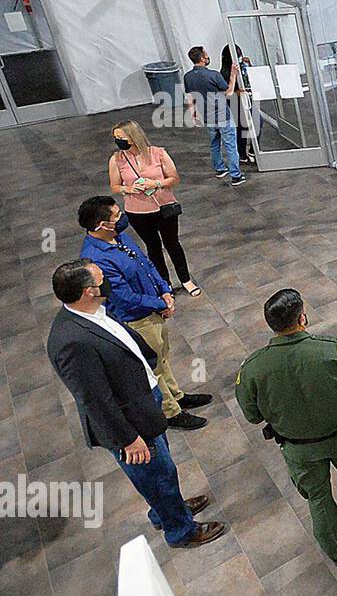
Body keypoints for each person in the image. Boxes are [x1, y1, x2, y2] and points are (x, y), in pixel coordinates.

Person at [46, 259, 226, 549]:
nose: (108, 282)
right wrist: (128, 440)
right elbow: (95, 400)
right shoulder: (71, 342)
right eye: (101, 279)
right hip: (129, 424)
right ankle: (181, 531)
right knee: (158, 475)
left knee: (158, 473)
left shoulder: (93, 312)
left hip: (143, 403)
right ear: (88, 292)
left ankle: (166, 510)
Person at [235, 289, 337, 569]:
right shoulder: (331, 349)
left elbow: (252, 415)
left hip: (298, 449)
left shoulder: (252, 368)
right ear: (302, 318)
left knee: (318, 497)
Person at [78, 196, 211, 429]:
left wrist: (165, 291)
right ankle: (171, 413)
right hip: (137, 319)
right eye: (117, 216)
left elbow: (146, 263)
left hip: (154, 308)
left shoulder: (120, 237)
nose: (122, 219)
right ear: (101, 225)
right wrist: (160, 303)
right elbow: (124, 298)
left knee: (163, 357)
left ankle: (177, 396)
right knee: (154, 367)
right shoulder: (97, 259)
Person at [108, 120, 200, 296]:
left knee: (173, 244)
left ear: (133, 136)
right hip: (137, 212)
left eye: (121, 137)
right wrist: (128, 188)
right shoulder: (116, 159)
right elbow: (114, 185)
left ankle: (186, 279)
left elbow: (174, 178)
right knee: (153, 247)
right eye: (116, 138)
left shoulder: (158, 153)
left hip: (164, 207)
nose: (118, 141)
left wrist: (156, 183)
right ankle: (165, 284)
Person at [182, 45, 246, 187]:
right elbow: (228, 92)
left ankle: (220, 169)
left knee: (214, 144)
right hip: (223, 115)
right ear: (202, 58)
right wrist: (233, 75)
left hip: (207, 116)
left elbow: (190, 96)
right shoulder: (213, 75)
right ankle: (236, 176)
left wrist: (193, 114)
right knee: (230, 145)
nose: (208, 57)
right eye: (206, 55)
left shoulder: (188, 77)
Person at [220, 44, 255, 165]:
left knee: (257, 123)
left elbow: (250, 78)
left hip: (247, 101)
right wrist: (237, 91)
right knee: (242, 129)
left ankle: (253, 150)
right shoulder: (224, 73)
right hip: (235, 103)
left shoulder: (241, 67)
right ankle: (242, 154)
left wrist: (248, 65)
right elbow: (227, 92)